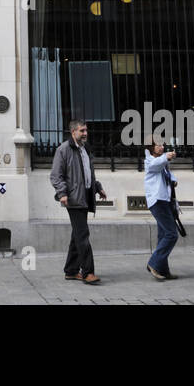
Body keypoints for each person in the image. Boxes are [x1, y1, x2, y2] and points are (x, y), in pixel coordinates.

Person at [49, 119, 108, 285]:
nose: (85, 133)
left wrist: (97, 187)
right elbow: (55, 175)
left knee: (77, 235)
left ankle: (71, 271)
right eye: (82, 131)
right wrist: (62, 193)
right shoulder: (64, 149)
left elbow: (87, 173)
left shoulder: (85, 149)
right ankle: (88, 272)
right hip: (73, 199)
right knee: (83, 235)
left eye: (86, 130)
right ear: (73, 132)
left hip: (86, 196)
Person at [143, 135, 180, 281]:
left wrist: (174, 180)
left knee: (163, 235)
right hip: (157, 201)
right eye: (159, 145)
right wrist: (166, 156)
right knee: (172, 234)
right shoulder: (149, 160)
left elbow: (167, 174)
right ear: (151, 147)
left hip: (165, 200)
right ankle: (154, 262)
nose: (162, 147)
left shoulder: (162, 162)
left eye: (163, 145)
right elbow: (155, 166)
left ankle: (163, 270)